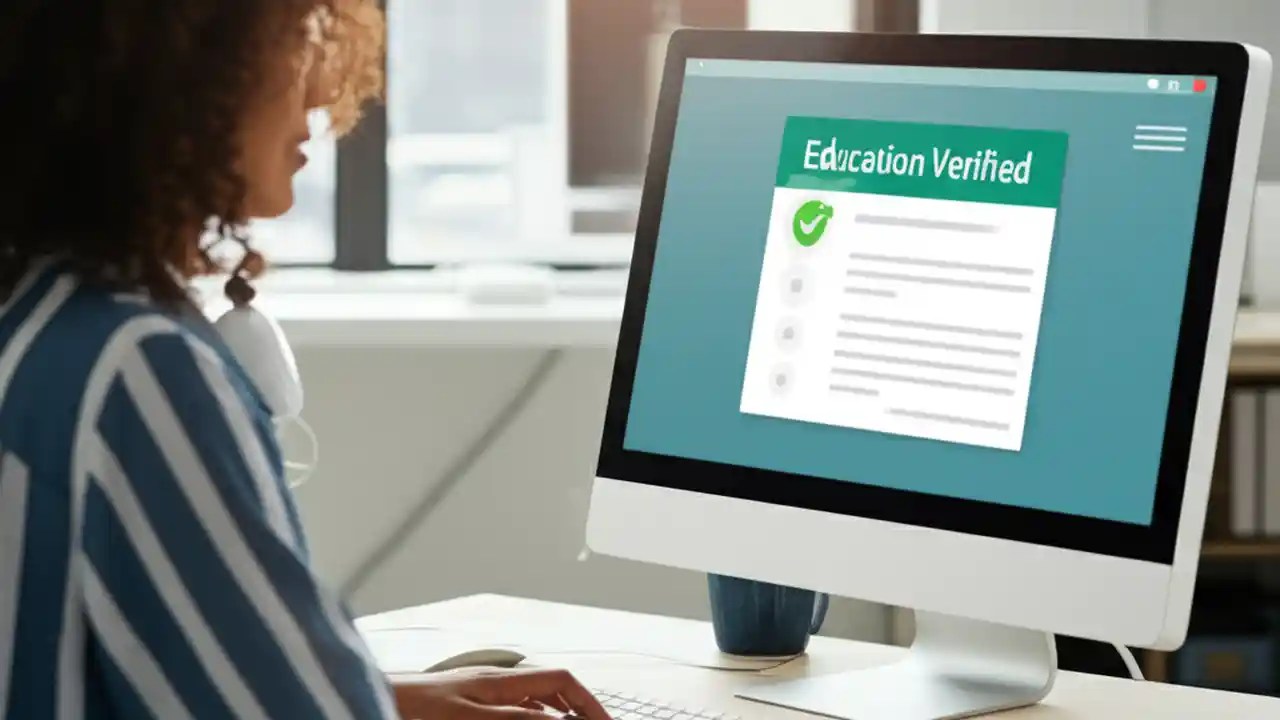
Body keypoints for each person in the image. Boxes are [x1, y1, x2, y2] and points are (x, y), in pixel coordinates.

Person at [0, 2, 610, 718]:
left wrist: (384, 705)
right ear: (185, 72)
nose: (322, 91)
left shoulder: (37, 315)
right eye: (293, 40)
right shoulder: (137, 373)